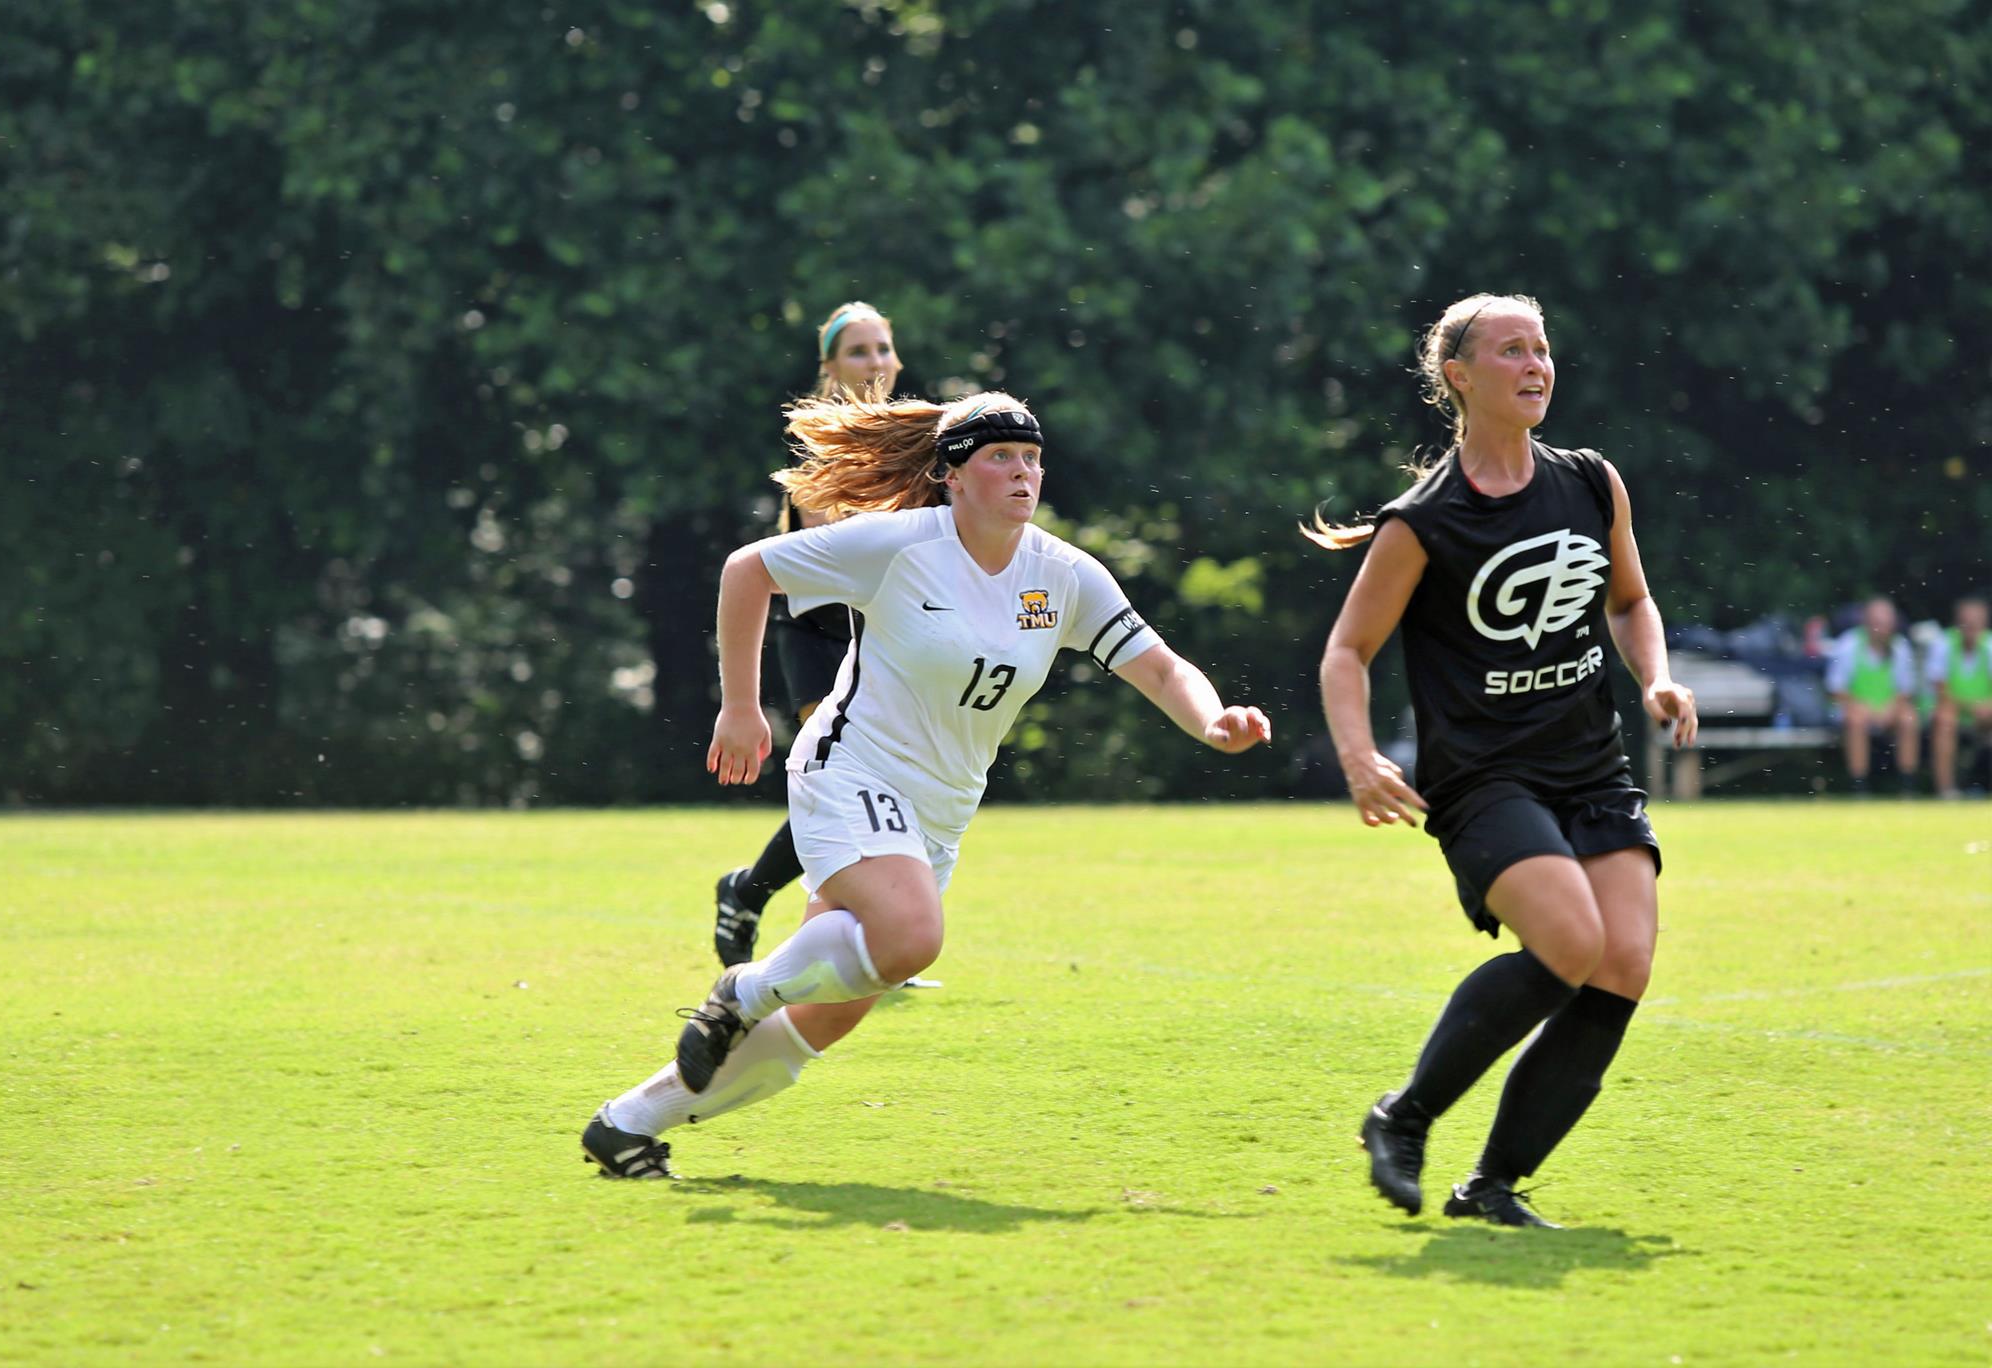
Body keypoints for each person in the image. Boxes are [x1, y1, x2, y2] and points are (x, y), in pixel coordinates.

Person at [583, 389, 1272, 1178]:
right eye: (1001, 458)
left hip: (940, 812)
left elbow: (1157, 664)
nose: (1024, 474)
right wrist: (741, 707)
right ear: (953, 474)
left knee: (826, 1020)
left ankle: (628, 1124)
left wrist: (1213, 719)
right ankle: (741, 993)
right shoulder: (901, 546)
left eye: (1033, 459)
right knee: (911, 940)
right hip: (852, 770)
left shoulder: (1064, 575)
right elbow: (748, 571)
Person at [1308, 293, 1697, 1228]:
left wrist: (1655, 677)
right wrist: (1360, 761)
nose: (1536, 366)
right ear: (1460, 376)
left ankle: (1492, 1186)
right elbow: (1346, 652)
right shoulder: (1422, 521)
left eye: (1543, 349)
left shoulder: (1592, 481)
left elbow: (1631, 600)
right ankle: (1403, 1119)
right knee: (1569, 943)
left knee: (1623, 964)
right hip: (1485, 779)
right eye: (1512, 351)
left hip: (1590, 767)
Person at [712, 302, 904, 969]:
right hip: (819, 634)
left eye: (882, 349)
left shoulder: (909, 440)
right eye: (858, 351)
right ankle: (753, 893)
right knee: (843, 782)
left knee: (876, 787)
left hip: (878, 636)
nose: (874, 362)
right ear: (828, 368)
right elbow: (837, 535)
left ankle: (841, 928)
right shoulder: (820, 442)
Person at [1825, 596, 1920, 795]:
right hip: (1855, 709)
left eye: (1886, 623)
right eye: (1877, 623)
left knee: (1909, 718)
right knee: (1856, 720)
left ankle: (1907, 785)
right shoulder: (1848, 644)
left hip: (1889, 710)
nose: (1882, 628)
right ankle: (1860, 786)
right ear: (1866, 622)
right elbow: (1835, 690)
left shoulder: (1900, 647)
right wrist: (1862, 707)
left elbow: (1906, 692)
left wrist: (1890, 709)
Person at [1927, 596, 1992, 798]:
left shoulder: (1990, 646)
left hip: (1985, 715)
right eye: (1967, 622)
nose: (1971, 627)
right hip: (1952, 712)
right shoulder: (1943, 644)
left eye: (1976, 622)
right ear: (1958, 623)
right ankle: (1946, 791)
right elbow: (1941, 691)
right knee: (1945, 720)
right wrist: (1973, 707)